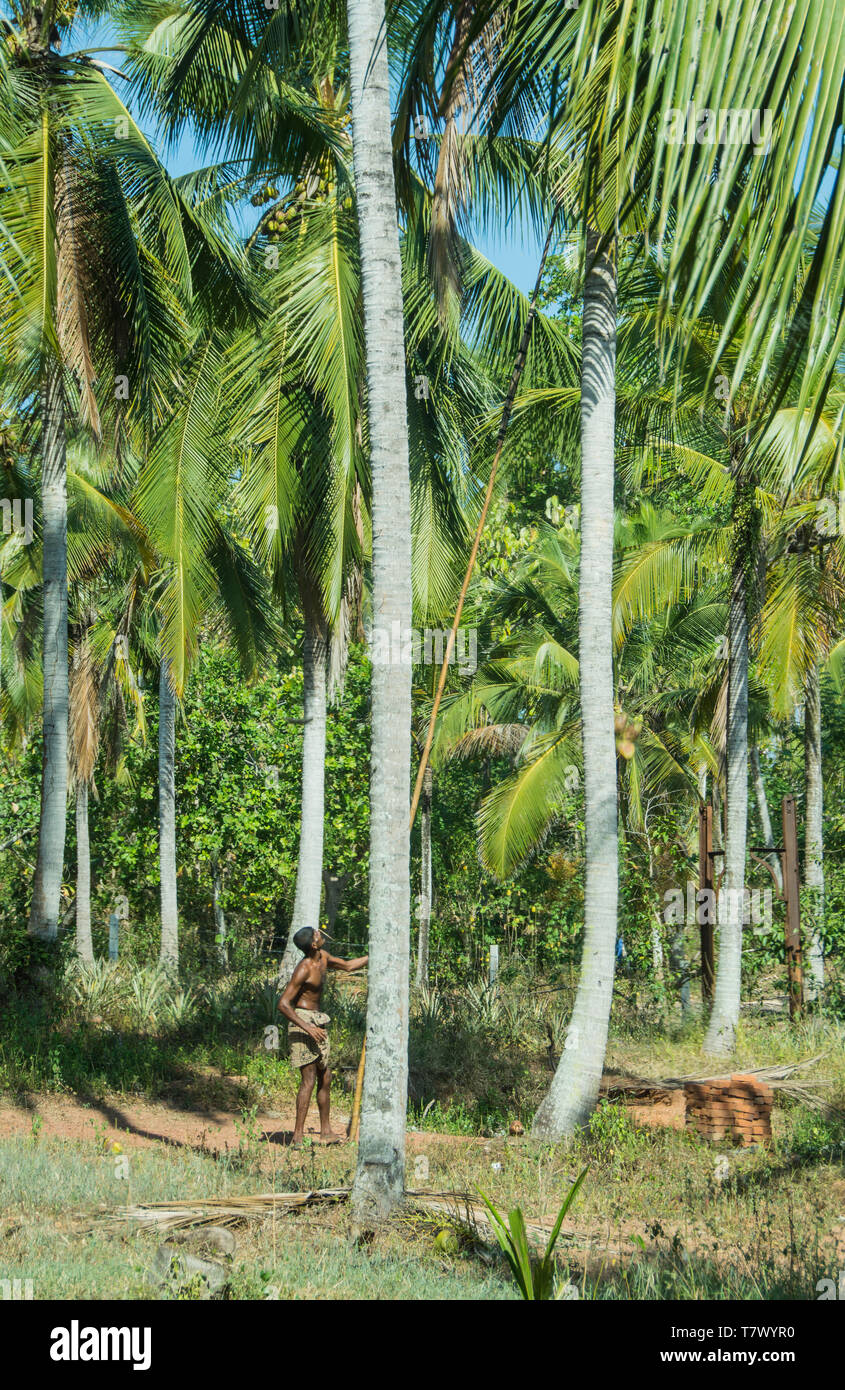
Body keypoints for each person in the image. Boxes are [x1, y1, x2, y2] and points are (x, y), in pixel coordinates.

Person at [278, 926, 368, 1145]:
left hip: (318, 1020)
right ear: (313, 944)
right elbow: (283, 1004)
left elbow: (347, 966)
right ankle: (297, 1137)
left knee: (325, 1077)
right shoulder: (304, 968)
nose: (320, 932)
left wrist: (372, 956)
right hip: (303, 1021)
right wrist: (308, 1028)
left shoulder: (323, 957)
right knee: (308, 1080)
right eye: (316, 933)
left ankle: (326, 1131)